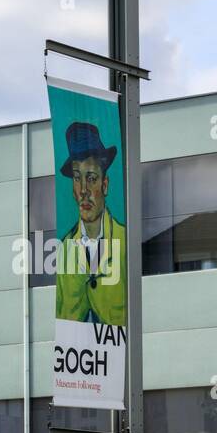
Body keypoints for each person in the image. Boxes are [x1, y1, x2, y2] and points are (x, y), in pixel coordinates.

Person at [54, 121, 128, 326]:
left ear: (104, 185)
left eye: (91, 178)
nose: (83, 189)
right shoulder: (65, 249)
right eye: (77, 179)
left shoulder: (125, 241)